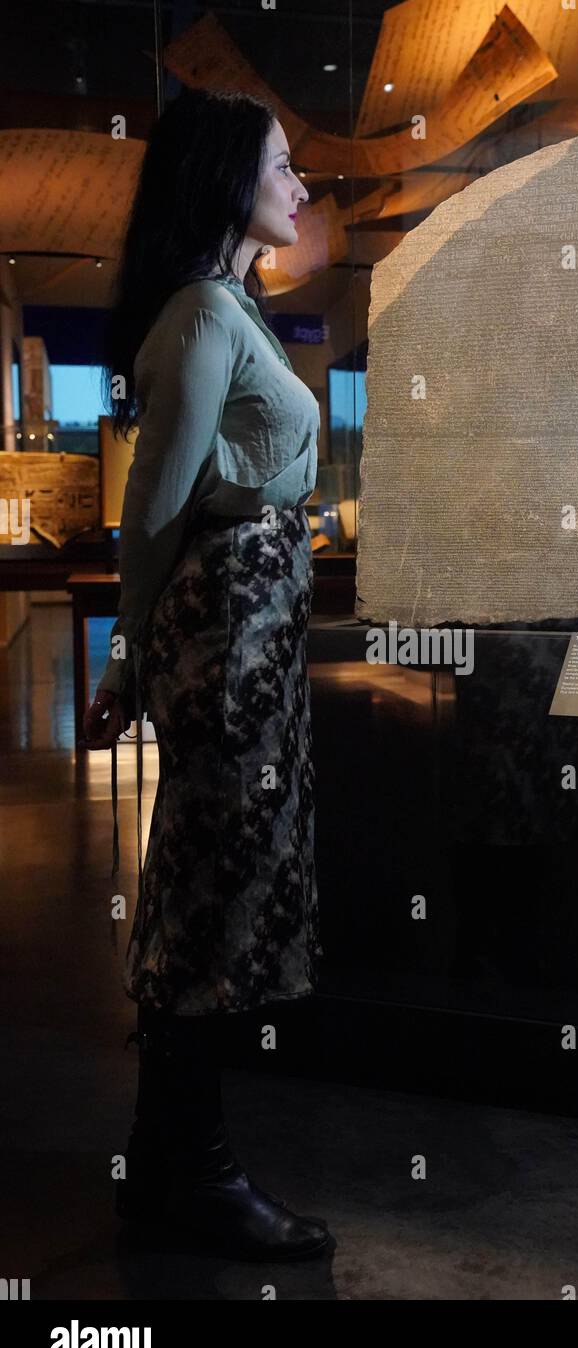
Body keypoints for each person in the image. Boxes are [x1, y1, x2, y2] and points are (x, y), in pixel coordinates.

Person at [83, 86, 330, 1260]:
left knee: (219, 885)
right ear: (231, 178)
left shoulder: (232, 304)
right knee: (209, 890)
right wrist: (125, 666)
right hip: (220, 646)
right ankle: (199, 1174)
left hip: (252, 640)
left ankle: (170, 1169)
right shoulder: (199, 315)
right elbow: (155, 510)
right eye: (284, 166)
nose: (300, 186)